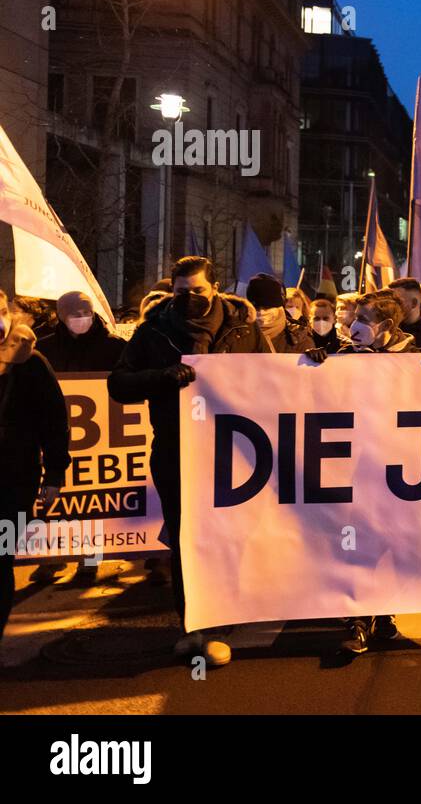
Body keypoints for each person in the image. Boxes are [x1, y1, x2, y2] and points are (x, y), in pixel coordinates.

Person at [108, 256, 273, 667]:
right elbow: (120, 384)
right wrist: (162, 376)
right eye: (181, 292)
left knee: (226, 539)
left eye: (197, 291)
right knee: (186, 540)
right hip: (176, 451)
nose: (189, 300)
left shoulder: (242, 329)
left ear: (214, 288)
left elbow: (274, 377)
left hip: (234, 454)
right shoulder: (153, 331)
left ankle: (221, 625)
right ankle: (193, 625)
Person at [333, 289, 421, 653]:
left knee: (390, 543)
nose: (354, 327)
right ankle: (357, 619)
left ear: (387, 326)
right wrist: (314, 363)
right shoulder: (345, 356)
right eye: (354, 317)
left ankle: (383, 613)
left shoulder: (416, 358)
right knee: (358, 542)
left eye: (364, 321)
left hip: (400, 469)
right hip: (355, 468)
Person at [32, 291, 127, 586]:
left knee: (94, 497)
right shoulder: (45, 348)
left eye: (85, 313)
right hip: (57, 431)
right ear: (62, 317)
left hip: (101, 435)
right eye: (74, 315)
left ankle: (90, 559)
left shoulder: (115, 347)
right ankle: (51, 557)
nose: (81, 319)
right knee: (57, 498)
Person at [0, 290, 70, 646]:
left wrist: (54, 474)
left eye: (0, 312)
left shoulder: (31, 362)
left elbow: (54, 422)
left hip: (13, 480)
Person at [247, 274, 314, 354]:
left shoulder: (299, 338)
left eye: (267, 307)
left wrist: (312, 361)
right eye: (256, 308)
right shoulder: (237, 337)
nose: (261, 312)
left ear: (280, 308)